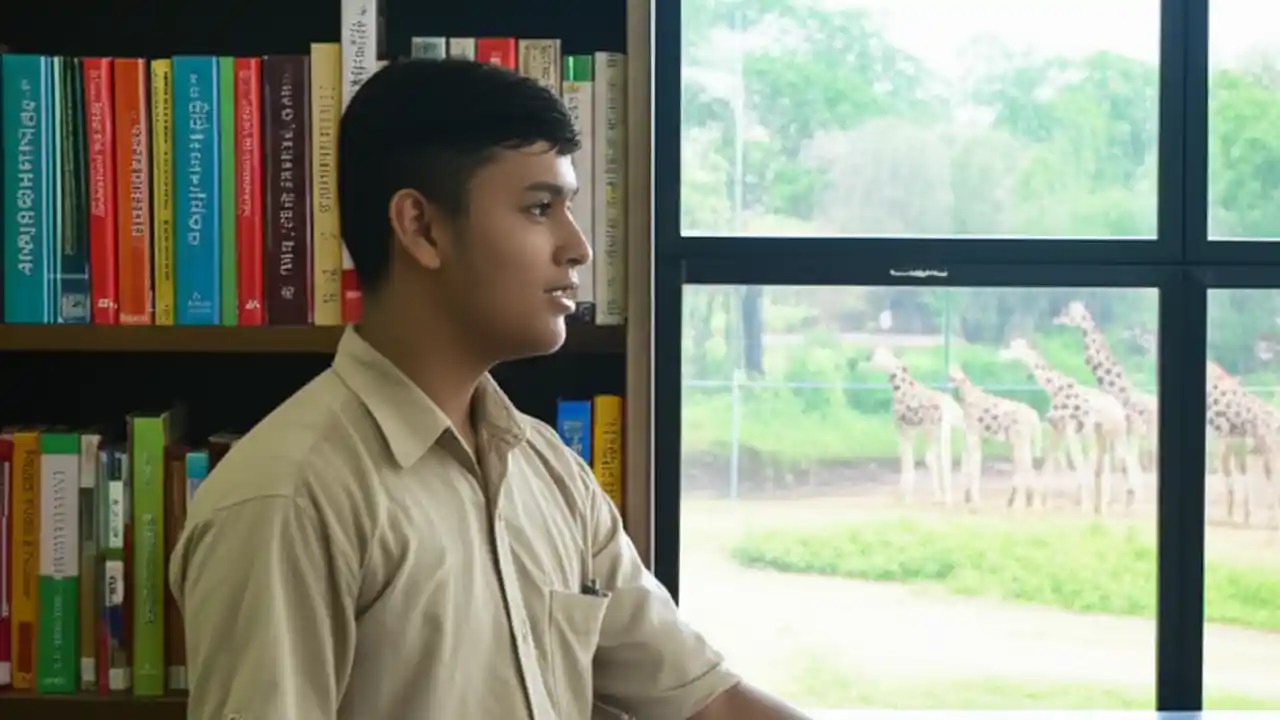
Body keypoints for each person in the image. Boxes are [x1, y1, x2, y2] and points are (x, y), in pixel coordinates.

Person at [169, 58, 810, 720]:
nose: (579, 247)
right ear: (421, 227)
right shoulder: (289, 499)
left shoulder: (551, 472)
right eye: (540, 208)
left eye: (569, 207)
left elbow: (708, 703)